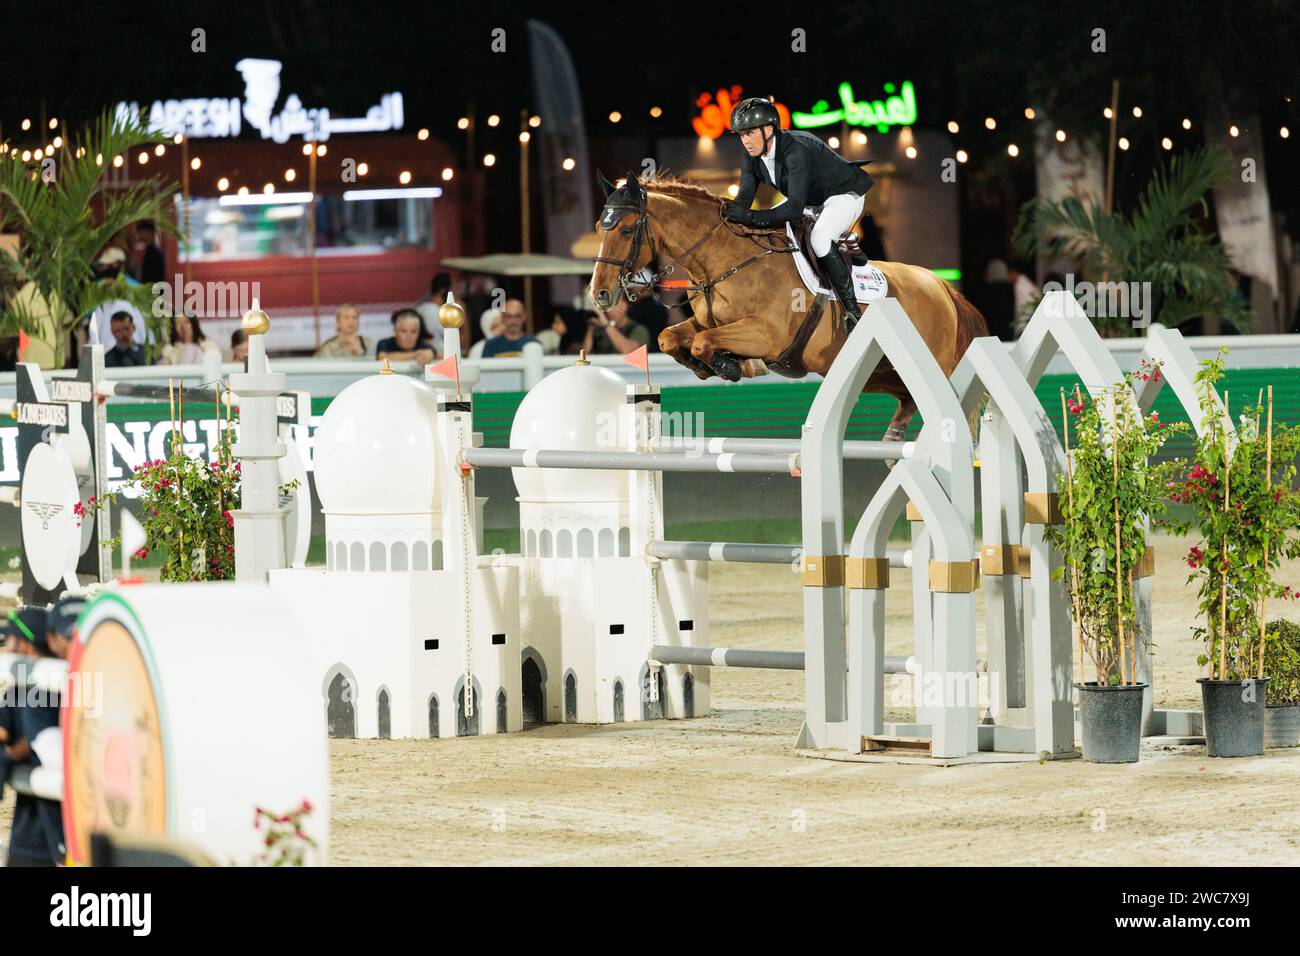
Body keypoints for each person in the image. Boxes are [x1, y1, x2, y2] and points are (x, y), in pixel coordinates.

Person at [722, 97, 875, 332]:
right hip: (811, 200)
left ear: (769, 129)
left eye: (750, 133)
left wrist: (750, 218)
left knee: (820, 238)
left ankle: (853, 313)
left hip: (844, 194)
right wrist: (724, 216)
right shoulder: (751, 156)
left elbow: (793, 209)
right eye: (741, 135)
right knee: (772, 225)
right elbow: (744, 200)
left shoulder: (796, 150)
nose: (745, 141)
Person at [0, 605, 64, 866]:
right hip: (32, 837)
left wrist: (17, 751)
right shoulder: (22, 688)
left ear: (24, 644)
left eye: (10, 640)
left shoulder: (32, 689)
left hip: (39, 840)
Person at [582, 299, 649, 355]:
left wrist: (606, 324)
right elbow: (584, 356)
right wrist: (591, 328)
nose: (609, 312)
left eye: (612, 306)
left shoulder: (639, 330)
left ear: (624, 306)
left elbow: (628, 351)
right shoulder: (600, 330)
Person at [131, 220, 167, 286]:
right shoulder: (148, 250)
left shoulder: (154, 253)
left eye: (140, 231)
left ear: (149, 232)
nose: (138, 235)